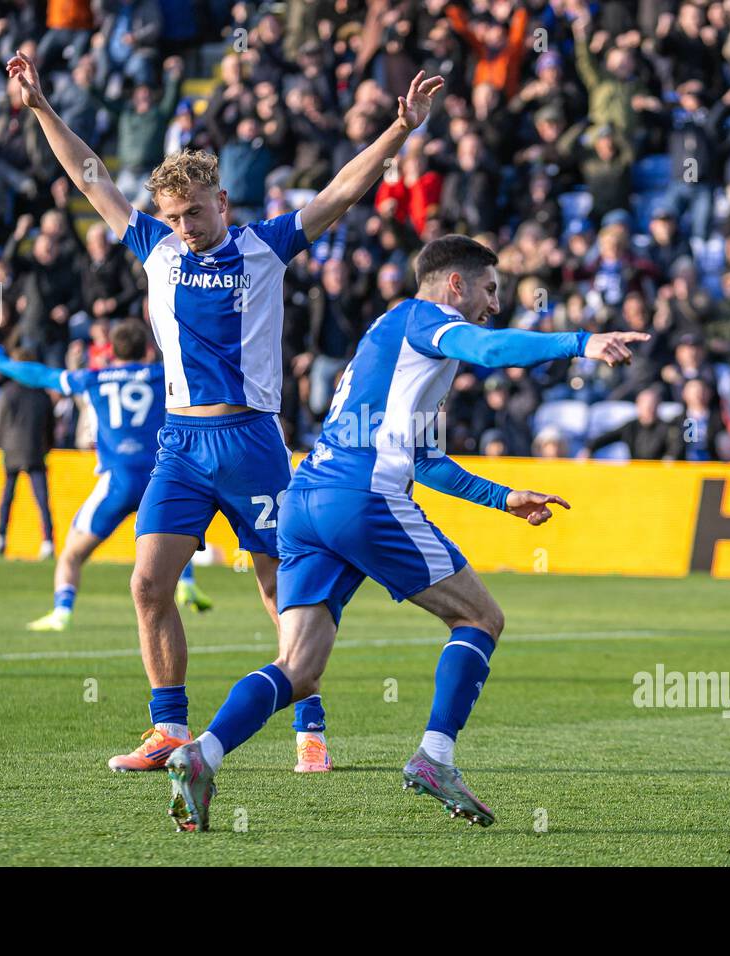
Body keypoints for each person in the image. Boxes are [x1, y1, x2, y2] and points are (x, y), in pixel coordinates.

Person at [5, 51, 444, 775]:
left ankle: (309, 723)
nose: (185, 227)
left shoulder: (266, 247)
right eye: (175, 217)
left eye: (196, 213)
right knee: (148, 584)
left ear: (223, 204)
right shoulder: (153, 247)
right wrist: (44, 109)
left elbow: (339, 192)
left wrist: (398, 131)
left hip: (251, 441)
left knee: (280, 591)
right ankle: (169, 730)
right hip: (180, 441)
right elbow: (91, 176)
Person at [163, 235, 648, 831]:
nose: (494, 303)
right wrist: (581, 342)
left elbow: (424, 457)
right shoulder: (430, 320)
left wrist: (503, 498)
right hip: (363, 499)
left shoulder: (387, 336)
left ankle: (201, 752)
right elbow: (491, 350)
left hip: (306, 498)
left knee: (299, 667)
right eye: (490, 289)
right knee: (480, 619)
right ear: (455, 285)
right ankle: (435, 757)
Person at [0, 320, 213, 631]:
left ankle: (62, 612)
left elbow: (40, 375)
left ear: (111, 350)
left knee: (71, 554)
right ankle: (185, 581)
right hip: (158, 477)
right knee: (170, 540)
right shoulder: (163, 374)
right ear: (147, 349)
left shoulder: (93, 378)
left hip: (117, 481)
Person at [0, 351, 56, 561]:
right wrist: (48, 448)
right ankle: (48, 541)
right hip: (35, 450)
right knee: (42, 499)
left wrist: (1, 445)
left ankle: (0, 538)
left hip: (11, 450)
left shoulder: (7, 391)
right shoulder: (42, 394)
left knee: (7, 497)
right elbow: (50, 427)